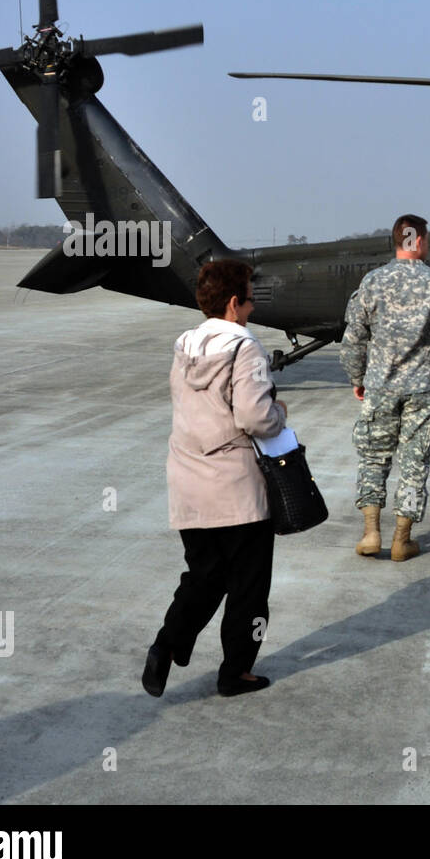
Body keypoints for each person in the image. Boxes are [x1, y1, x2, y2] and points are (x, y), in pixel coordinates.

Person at [143, 259, 287, 699]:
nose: (252, 305)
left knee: (204, 575)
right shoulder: (245, 347)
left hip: (188, 482)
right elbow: (254, 416)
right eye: (249, 296)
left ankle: (166, 646)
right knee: (247, 586)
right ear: (232, 302)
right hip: (236, 488)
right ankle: (235, 672)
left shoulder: (185, 344)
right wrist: (280, 415)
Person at [340, 214, 430, 561]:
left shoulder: (372, 281)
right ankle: (401, 539)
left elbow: (353, 339)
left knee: (373, 458)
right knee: (414, 463)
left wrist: (357, 378)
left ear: (398, 241)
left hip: (380, 386)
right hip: (421, 390)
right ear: (419, 240)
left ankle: (370, 533)